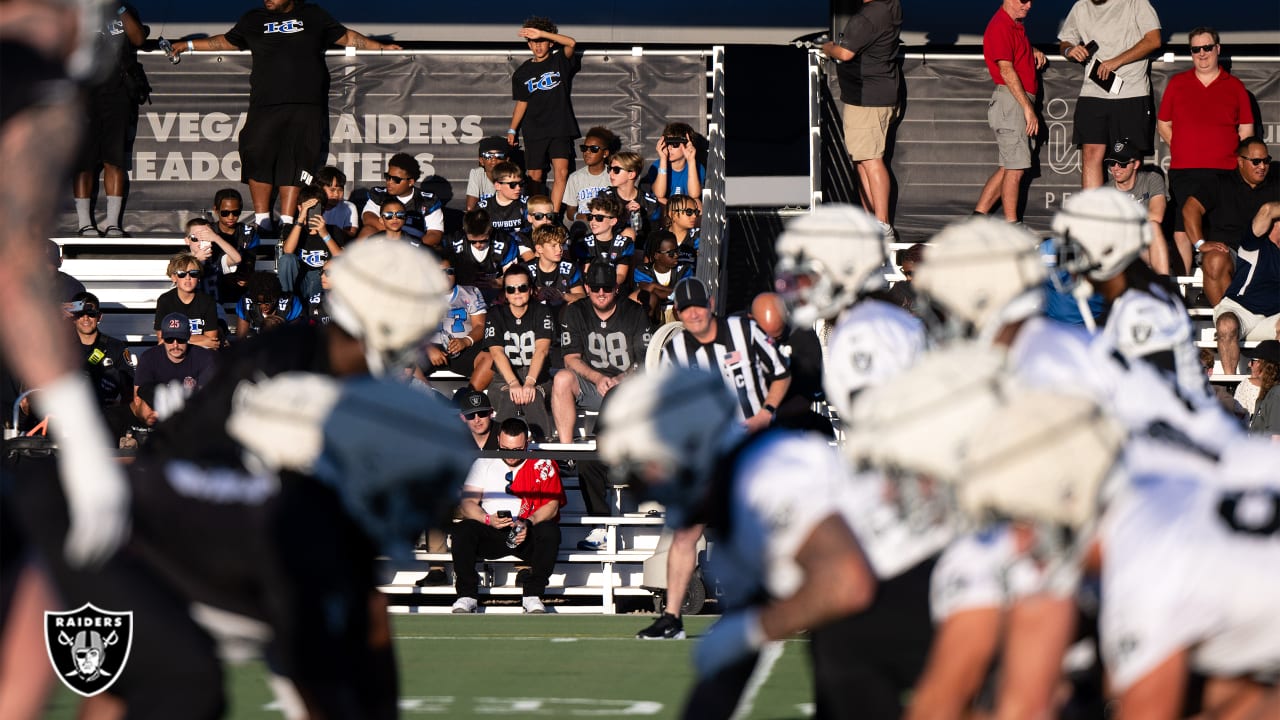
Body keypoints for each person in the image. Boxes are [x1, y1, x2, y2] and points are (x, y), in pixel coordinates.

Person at [597, 366, 876, 719]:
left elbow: (846, 582)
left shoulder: (771, 471)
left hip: (927, 600)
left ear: (690, 443)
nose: (644, 492)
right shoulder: (733, 506)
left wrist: (756, 629)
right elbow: (730, 672)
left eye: (643, 472)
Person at [166, 0, 399, 232]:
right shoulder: (253, 18)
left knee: (298, 160)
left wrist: (381, 47)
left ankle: (288, 222)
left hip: (307, 105)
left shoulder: (313, 14)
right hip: (265, 104)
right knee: (255, 154)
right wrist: (187, 44)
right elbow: (225, 41)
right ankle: (263, 220)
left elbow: (347, 37)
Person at [1157, 26, 1254, 275]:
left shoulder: (1235, 86)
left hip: (1225, 171)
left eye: (1207, 47)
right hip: (1184, 169)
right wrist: (1181, 145)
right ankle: (1183, 285)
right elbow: (1163, 124)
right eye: (1196, 49)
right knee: (1182, 228)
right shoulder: (1177, 83)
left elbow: (1246, 130)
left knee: (1218, 228)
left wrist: (1235, 159)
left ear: (1217, 49)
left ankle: (1216, 279)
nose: (1202, 53)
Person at [450, 417, 565, 614]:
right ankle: (466, 595)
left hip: (525, 531)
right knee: (463, 530)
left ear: (526, 444)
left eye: (517, 450)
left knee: (550, 531)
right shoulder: (484, 461)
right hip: (493, 530)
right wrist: (488, 519)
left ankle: (533, 595)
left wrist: (528, 522)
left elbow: (552, 505)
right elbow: (468, 502)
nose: (511, 456)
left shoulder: (541, 464)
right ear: (498, 440)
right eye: (505, 448)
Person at [1057, 0, 1162, 189]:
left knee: (1127, 159)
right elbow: (1065, 41)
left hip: (1131, 91)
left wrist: (1116, 61)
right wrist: (1070, 50)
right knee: (1090, 154)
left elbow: (1153, 39)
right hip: (1093, 91)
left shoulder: (1135, 3)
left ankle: (1128, 214)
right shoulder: (1081, 6)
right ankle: (1094, 215)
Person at [820, 0, 902, 237]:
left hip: (867, 99)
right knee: (862, 158)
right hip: (875, 94)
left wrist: (828, 48)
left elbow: (845, 53)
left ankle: (882, 225)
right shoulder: (891, 6)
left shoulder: (868, 16)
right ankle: (872, 224)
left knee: (871, 159)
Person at [550, 262, 651, 443]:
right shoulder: (575, 311)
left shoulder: (635, 312)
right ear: (587, 288)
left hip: (625, 385)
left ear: (616, 288)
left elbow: (643, 360)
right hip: (591, 384)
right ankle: (567, 453)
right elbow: (570, 359)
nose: (601, 293)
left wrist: (620, 379)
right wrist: (597, 379)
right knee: (562, 378)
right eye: (596, 288)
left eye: (607, 287)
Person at [72, 1, 144, 238]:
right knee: (84, 163)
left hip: (117, 95)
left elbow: (139, 40)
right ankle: (85, 223)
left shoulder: (123, 11)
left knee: (115, 160)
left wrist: (120, 8)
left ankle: (113, 223)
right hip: (84, 96)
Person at [972, 0, 1046, 223]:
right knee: (1015, 170)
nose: (1029, 5)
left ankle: (976, 221)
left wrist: (1030, 49)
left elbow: (1011, 54)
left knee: (1008, 167)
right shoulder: (1001, 25)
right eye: (1024, 0)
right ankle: (1012, 226)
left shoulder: (1014, 25)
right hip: (1012, 101)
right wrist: (1027, 109)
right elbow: (1006, 69)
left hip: (1014, 101)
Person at [1184, 137, 1280, 307]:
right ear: (1240, 162)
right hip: (1231, 252)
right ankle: (1228, 323)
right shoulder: (1220, 182)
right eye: (1256, 161)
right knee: (1214, 260)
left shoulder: (1277, 177)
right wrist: (1200, 244)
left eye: (1266, 161)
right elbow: (1190, 209)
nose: (1262, 166)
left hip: (1269, 255)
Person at [507, 16, 579, 211]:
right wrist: (512, 130)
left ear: (550, 42)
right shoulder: (522, 72)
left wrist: (541, 33)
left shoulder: (559, 60)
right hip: (534, 129)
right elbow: (522, 103)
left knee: (561, 173)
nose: (537, 46)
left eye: (541, 42)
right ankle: (538, 214)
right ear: (528, 44)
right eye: (533, 42)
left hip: (560, 127)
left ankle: (553, 216)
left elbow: (571, 43)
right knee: (535, 176)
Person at [484, 265, 556, 438]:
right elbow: (497, 353)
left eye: (522, 288)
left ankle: (543, 452)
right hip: (503, 377)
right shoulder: (495, 314)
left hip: (539, 377)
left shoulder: (542, 312)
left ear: (530, 290)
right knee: (510, 396)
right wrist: (514, 383)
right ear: (505, 293)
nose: (517, 292)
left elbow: (542, 350)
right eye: (511, 289)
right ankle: (498, 450)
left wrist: (530, 382)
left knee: (533, 397)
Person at [750, 292, 831, 436]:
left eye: (776, 337)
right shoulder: (738, 333)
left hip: (788, 421)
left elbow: (808, 396)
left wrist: (770, 413)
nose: (769, 343)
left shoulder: (803, 337)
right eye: (764, 337)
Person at [1214, 201, 1280, 377]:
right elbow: (1267, 209)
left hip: (1270, 319)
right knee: (1226, 323)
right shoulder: (1254, 243)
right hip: (1239, 311)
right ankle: (1229, 382)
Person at [67, 291, 134, 439]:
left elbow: (129, 392)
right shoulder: (62, 348)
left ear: (99, 316)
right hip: (69, 422)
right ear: (73, 318)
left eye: (91, 313)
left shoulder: (116, 347)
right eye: (80, 314)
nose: (85, 318)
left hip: (106, 423)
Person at [131, 312, 217, 426]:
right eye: (170, 339)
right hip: (158, 419)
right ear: (162, 337)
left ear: (189, 336)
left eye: (180, 339)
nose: (175, 345)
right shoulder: (149, 358)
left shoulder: (204, 358)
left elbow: (210, 399)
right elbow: (139, 400)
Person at [423, 257, 493, 390]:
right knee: (404, 361)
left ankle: (467, 401)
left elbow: (480, 326)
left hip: (463, 347)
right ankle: (429, 401)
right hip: (430, 348)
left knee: (491, 357)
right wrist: (428, 348)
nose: (445, 276)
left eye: (449, 271)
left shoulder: (470, 293)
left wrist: (465, 341)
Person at [1106, 138, 1170, 274]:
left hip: (1144, 246)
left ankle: (1162, 286)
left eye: (1122, 164)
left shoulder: (1152, 179)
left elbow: (1157, 216)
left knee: (1153, 226)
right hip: (1117, 247)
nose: (1115, 168)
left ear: (1135, 164)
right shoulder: (1106, 191)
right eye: (1112, 163)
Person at [358, 152, 445, 247]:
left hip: (415, 246)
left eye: (396, 179)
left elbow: (435, 234)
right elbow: (368, 217)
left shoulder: (428, 201)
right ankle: (356, 260)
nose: (389, 182)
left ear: (410, 182)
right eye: (388, 177)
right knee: (368, 230)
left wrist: (409, 246)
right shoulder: (380, 194)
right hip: (384, 240)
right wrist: (395, 235)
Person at [280, 186, 344, 303]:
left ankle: (314, 309)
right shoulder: (291, 229)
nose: (312, 211)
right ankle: (287, 302)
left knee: (316, 274)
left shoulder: (334, 230)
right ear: (299, 207)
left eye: (316, 208)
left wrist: (324, 234)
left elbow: (341, 258)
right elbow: (288, 251)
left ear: (323, 209)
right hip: (298, 281)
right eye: (308, 207)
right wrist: (300, 221)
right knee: (286, 259)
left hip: (321, 283)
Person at [153, 252, 220, 350]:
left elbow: (212, 341)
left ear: (198, 277)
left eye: (193, 273)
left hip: (201, 354)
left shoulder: (208, 301)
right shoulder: (165, 301)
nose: (188, 278)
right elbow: (163, 340)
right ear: (173, 277)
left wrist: (177, 337)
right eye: (182, 274)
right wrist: (197, 340)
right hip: (174, 353)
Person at [206, 187, 263, 300]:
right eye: (225, 213)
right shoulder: (207, 232)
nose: (231, 217)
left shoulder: (249, 233)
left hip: (240, 288)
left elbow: (249, 263)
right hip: (212, 286)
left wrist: (246, 278)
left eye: (235, 212)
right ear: (216, 210)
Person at [569, 194, 636, 288]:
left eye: (599, 218)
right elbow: (585, 272)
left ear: (613, 221)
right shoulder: (583, 243)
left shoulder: (624, 243)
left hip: (613, 288)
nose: (593, 221)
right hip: (591, 288)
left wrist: (608, 287)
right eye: (590, 217)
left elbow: (621, 274)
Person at [631, 230, 693, 325]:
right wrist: (673, 293)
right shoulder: (643, 270)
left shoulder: (684, 269)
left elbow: (683, 293)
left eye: (677, 251)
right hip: (656, 313)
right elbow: (647, 290)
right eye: (671, 253)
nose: (676, 255)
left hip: (675, 314)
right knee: (651, 298)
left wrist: (654, 286)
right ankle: (646, 332)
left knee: (680, 304)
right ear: (657, 255)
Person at [184, 217, 243, 304]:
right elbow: (180, 276)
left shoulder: (217, 259)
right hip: (191, 309)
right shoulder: (181, 261)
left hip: (215, 308)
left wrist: (216, 238)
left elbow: (237, 259)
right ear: (187, 241)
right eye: (195, 238)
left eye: (205, 237)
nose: (201, 241)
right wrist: (196, 260)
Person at [526, 224, 585, 313]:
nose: (560, 249)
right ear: (539, 248)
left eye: (560, 244)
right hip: (534, 317)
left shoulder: (570, 267)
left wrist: (562, 296)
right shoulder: (526, 270)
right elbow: (515, 296)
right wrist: (537, 293)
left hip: (563, 315)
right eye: (553, 246)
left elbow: (581, 296)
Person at [562, 126, 617, 220]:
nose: (587, 152)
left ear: (605, 153)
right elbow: (570, 212)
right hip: (584, 227)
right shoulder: (575, 177)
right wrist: (582, 217)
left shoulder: (614, 175)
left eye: (593, 149)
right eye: (584, 148)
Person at [645, 122, 704, 205]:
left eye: (675, 144)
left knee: (697, 203)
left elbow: (694, 195)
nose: (669, 148)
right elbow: (659, 194)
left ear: (687, 145)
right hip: (665, 210)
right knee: (660, 199)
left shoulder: (696, 167)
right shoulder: (657, 165)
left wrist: (691, 161)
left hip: (685, 209)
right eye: (668, 143)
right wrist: (663, 159)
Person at [235, 270, 304, 339]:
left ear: (276, 296)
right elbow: (240, 339)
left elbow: (294, 339)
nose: (263, 306)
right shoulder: (247, 303)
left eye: (268, 302)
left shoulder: (289, 303)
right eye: (258, 302)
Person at [475, 161, 531, 237]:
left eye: (521, 184)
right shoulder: (484, 207)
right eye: (513, 184)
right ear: (497, 186)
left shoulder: (526, 204)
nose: (518, 188)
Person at [1245, 340, 1280, 438]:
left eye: (1253, 361)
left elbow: (1276, 441)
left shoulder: (1277, 394)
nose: (1249, 365)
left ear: (1264, 365)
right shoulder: (1268, 394)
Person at [465, 136, 508, 210]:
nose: (493, 159)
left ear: (507, 160)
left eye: (499, 155)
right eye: (488, 155)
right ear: (481, 160)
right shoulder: (476, 174)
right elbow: (470, 208)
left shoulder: (513, 176)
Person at [317, 165, 358, 238]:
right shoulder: (312, 206)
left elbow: (351, 235)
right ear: (320, 189)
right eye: (332, 190)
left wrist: (326, 231)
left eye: (340, 190)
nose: (336, 194)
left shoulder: (349, 207)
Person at [662, 193, 702, 266]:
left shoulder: (700, 236)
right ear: (672, 215)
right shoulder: (658, 238)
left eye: (696, 212)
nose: (694, 216)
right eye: (689, 212)